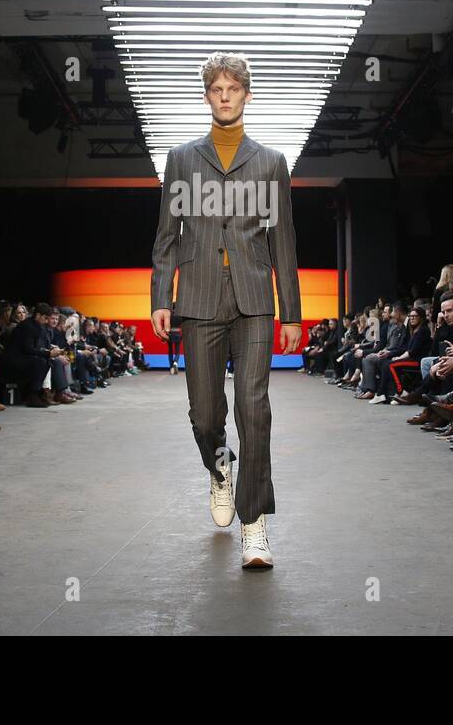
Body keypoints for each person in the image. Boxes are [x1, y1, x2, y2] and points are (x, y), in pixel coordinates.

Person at [151, 51, 301, 570]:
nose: (224, 96)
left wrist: (292, 314)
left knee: (254, 409)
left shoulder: (271, 162)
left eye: (232, 89)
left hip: (255, 298)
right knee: (206, 415)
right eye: (215, 89)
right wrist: (159, 299)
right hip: (195, 298)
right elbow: (166, 238)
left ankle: (254, 522)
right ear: (206, 96)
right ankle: (221, 470)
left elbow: (283, 241)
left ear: (247, 94)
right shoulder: (181, 159)